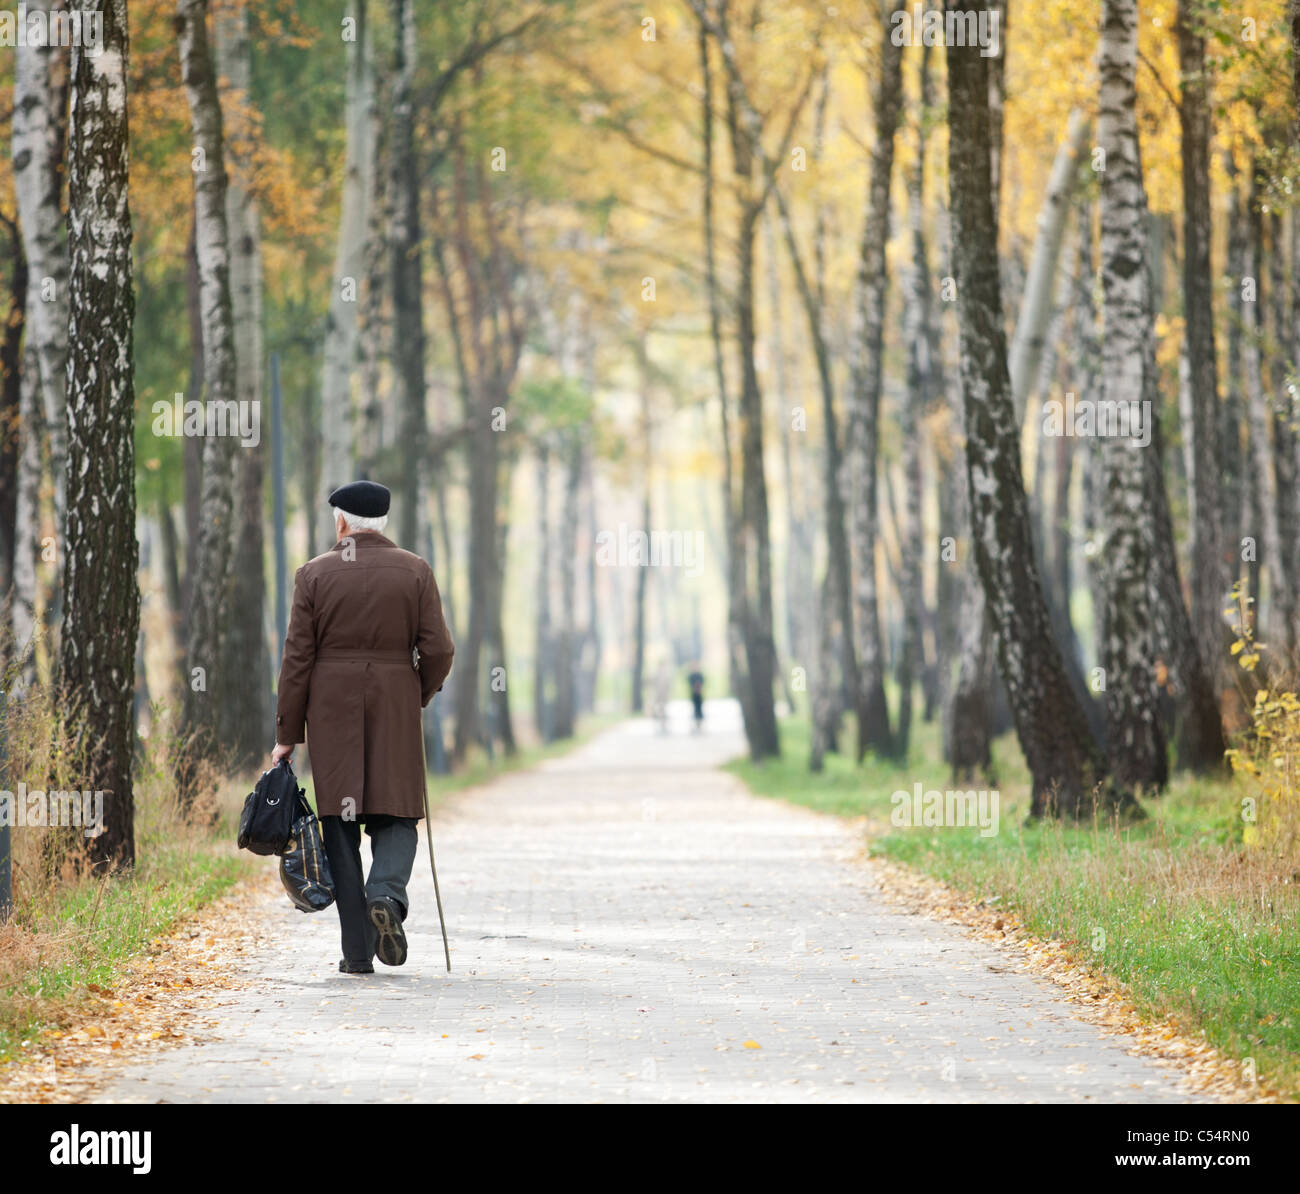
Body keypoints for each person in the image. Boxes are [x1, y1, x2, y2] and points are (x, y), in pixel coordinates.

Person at [272, 481, 454, 975]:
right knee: (397, 813)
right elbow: (439, 649)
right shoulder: (416, 570)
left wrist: (288, 733)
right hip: (396, 702)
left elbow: (297, 659)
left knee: (340, 824)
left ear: (341, 522)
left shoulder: (313, 574)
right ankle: (387, 897)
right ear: (383, 523)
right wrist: (414, 694)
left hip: (331, 709)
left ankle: (357, 954)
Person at [687, 664, 705, 732]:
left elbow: (702, 682)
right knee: (695, 708)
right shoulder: (692, 676)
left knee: (699, 708)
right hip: (694, 694)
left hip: (699, 694)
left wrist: (699, 688)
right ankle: (696, 722)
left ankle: (699, 723)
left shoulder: (700, 675)